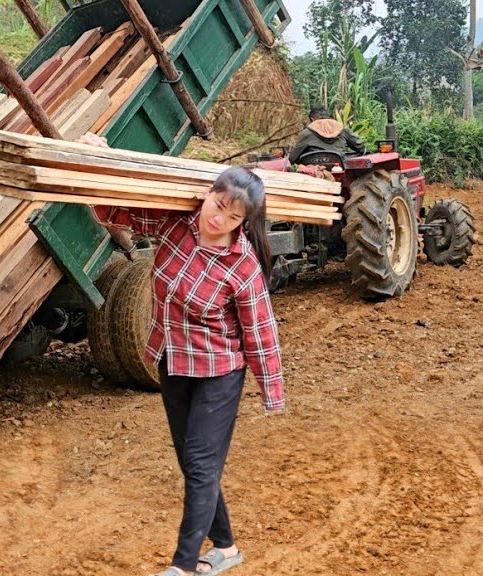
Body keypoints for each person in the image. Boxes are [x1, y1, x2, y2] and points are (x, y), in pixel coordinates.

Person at [78, 132, 286, 576]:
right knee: (194, 463)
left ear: (242, 223)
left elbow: (260, 330)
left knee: (199, 464)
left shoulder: (242, 265)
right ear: (207, 195)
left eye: (232, 217)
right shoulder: (178, 225)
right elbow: (122, 210)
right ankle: (226, 548)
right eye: (217, 206)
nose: (218, 219)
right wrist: (99, 160)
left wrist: (272, 391)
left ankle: (184, 566)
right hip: (173, 359)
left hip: (219, 370)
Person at [287, 105, 365, 164]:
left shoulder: (306, 133)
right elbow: (360, 147)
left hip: (313, 171)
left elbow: (293, 158)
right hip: (339, 167)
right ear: (327, 116)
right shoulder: (342, 129)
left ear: (312, 119)